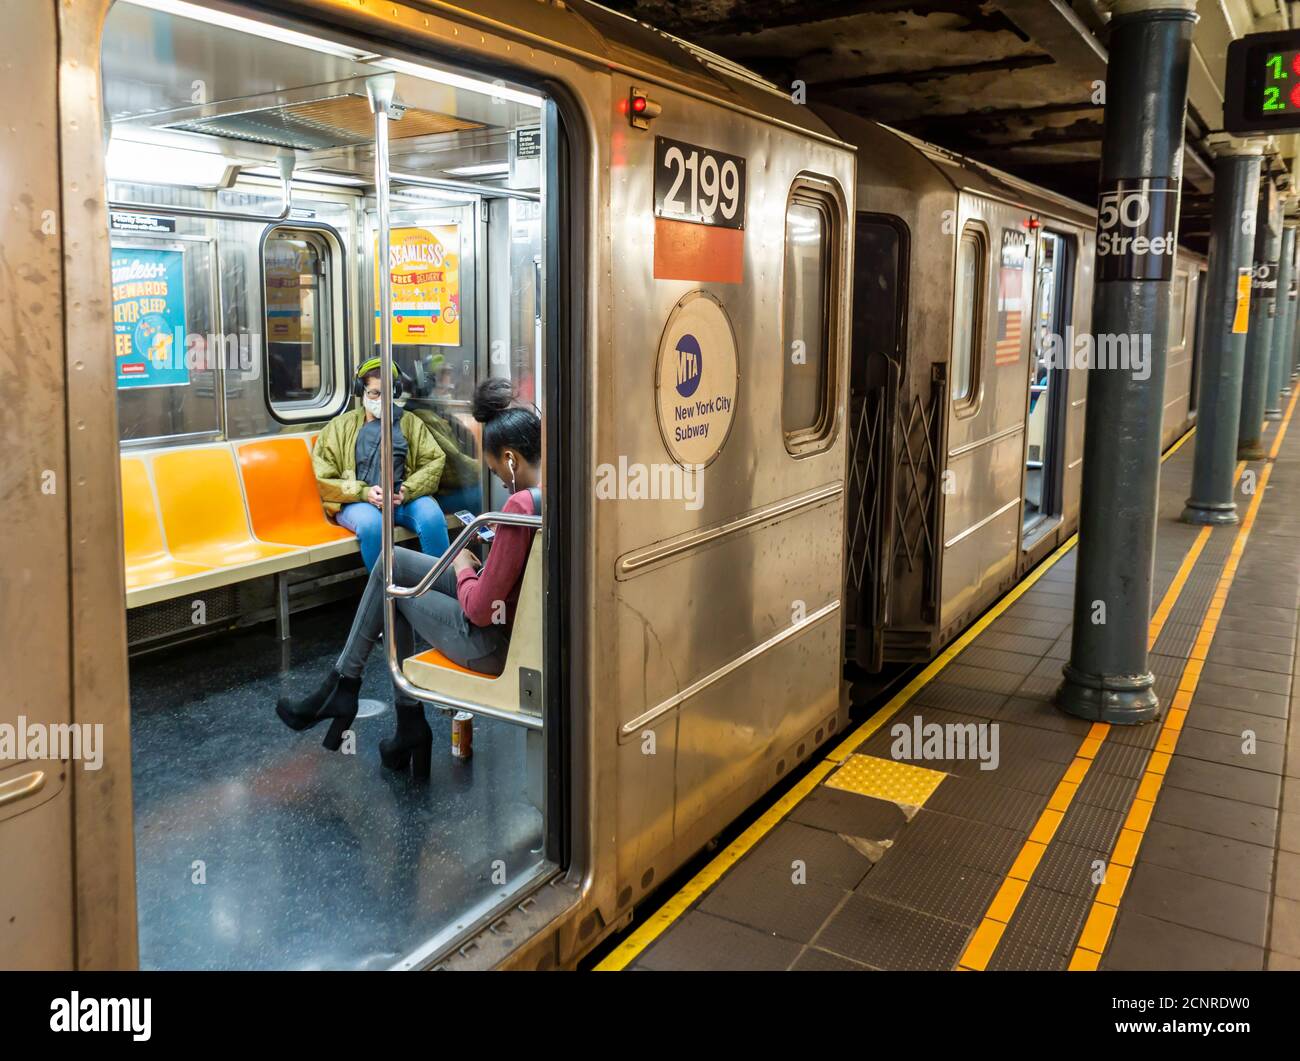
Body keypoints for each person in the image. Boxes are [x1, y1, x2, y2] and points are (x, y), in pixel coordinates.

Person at [277, 377, 542, 781]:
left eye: (500, 476)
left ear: (510, 459)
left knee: (392, 591)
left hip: (489, 641)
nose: (504, 484)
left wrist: (463, 567)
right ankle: (355, 691)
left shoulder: (518, 506)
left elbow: (479, 610)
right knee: (392, 562)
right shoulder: (550, 491)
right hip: (507, 611)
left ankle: (372, 703)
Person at [312, 357, 450, 570]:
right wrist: (363, 492)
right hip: (356, 501)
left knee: (431, 516)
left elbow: (433, 460)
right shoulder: (339, 428)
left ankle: (442, 589)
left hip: (400, 498)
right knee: (373, 526)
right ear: (362, 392)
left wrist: (407, 490)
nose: (380, 399)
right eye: (374, 393)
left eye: (386, 393)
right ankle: (389, 596)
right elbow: (325, 478)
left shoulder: (409, 422)